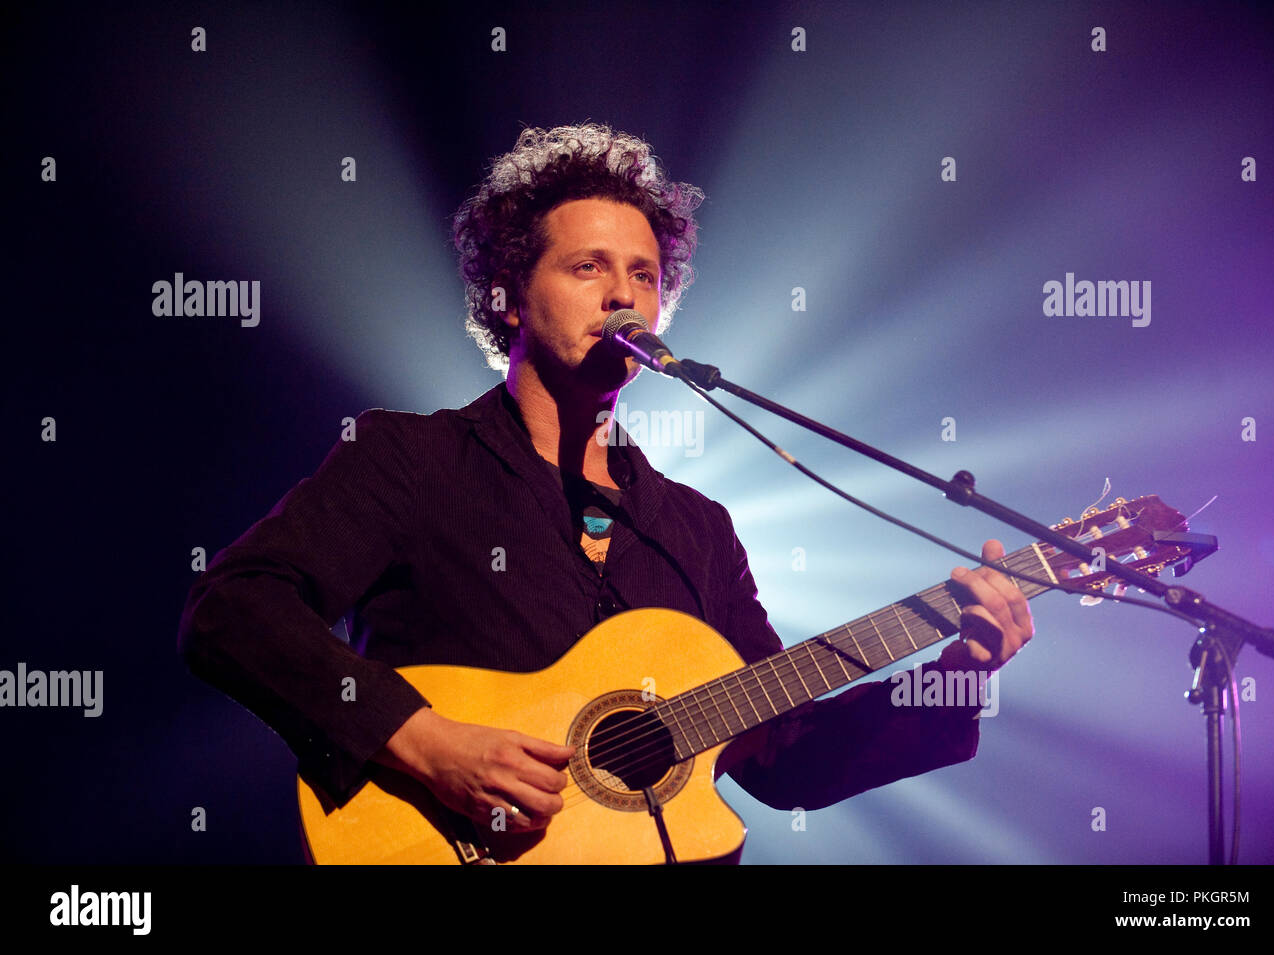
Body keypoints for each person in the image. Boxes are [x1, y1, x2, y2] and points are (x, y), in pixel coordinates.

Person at [178, 123, 1033, 859]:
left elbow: (785, 755)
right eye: (588, 266)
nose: (625, 293)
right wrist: (429, 742)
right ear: (508, 295)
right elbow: (235, 609)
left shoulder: (696, 529)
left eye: (646, 275)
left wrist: (959, 671)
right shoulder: (412, 457)